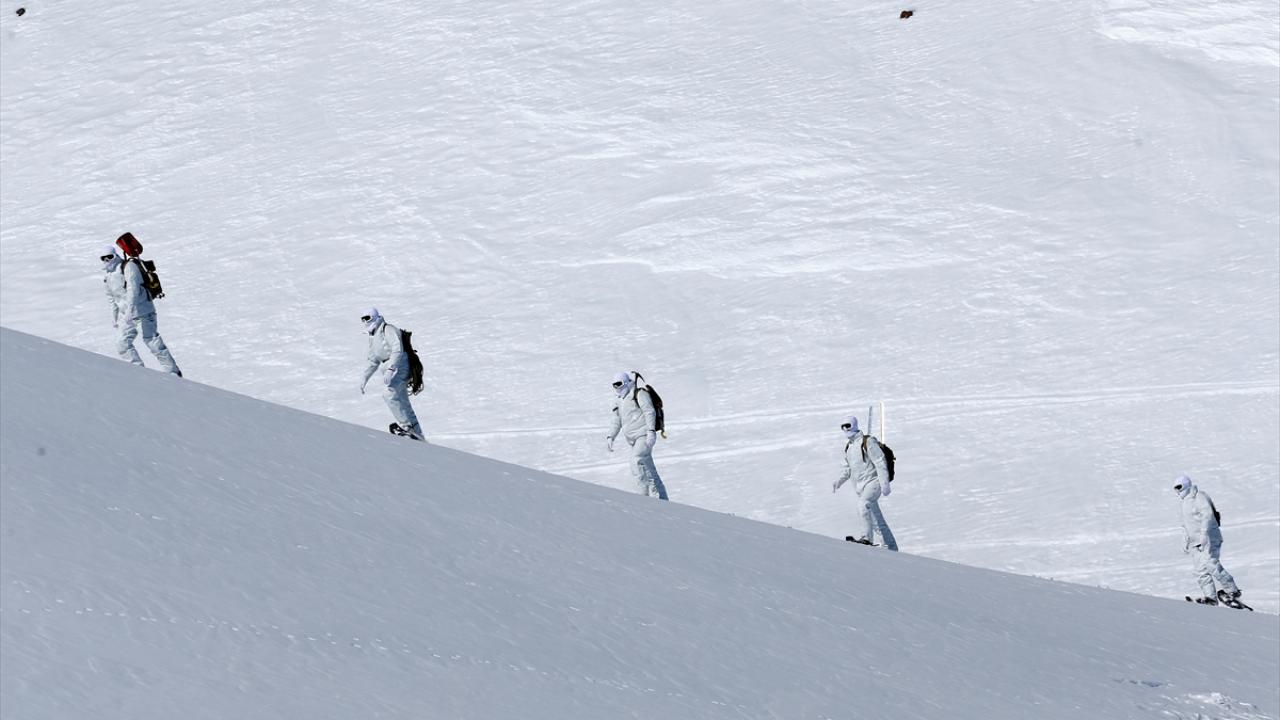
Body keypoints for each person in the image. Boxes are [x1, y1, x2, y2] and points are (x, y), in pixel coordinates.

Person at [100, 245, 181, 376]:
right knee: (122, 344)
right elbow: (112, 297)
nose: (107, 260)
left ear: (115, 255)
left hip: (143, 311)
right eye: (104, 258)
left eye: (109, 257)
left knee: (151, 341)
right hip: (126, 315)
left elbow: (133, 289)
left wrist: (130, 310)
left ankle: (173, 371)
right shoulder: (108, 275)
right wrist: (114, 317)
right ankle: (139, 372)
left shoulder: (128, 267)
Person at [1174, 475, 1242, 606]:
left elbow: (1208, 514)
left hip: (1210, 538)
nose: (1177, 491)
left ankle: (1232, 591)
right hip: (1195, 543)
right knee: (1200, 571)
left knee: (1211, 564)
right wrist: (1185, 540)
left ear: (1186, 484)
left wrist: (1205, 533)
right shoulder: (1183, 503)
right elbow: (1185, 525)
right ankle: (1210, 598)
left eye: (1179, 487)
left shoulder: (1199, 496)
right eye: (1175, 488)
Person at [832, 415, 897, 550]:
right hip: (861, 487)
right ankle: (891, 547)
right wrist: (838, 481)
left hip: (874, 482)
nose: (845, 429)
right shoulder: (849, 447)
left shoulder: (867, 442)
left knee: (863, 505)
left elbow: (880, 461)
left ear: (854, 425)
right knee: (876, 520)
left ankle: (866, 538)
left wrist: (885, 483)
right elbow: (847, 469)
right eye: (842, 426)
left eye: (848, 425)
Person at [359, 308, 424, 441]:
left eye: (368, 317)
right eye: (363, 319)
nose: (365, 321)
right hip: (389, 366)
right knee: (402, 400)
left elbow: (397, 349)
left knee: (389, 393)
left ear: (375, 317)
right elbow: (373, 360)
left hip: (400, 364)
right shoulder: (373, 336)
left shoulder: (388, 329)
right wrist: (364, 377)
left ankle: (406, 426)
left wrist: (391, 369)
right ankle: (418, 434)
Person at [606, 371, 668, 500]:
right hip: (634, 439)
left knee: (635, 460)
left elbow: (649, 411)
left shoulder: (639, 393)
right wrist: (611, 436)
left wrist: (651, 431)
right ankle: (662, 499)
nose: (617, 388)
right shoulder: (619, 400)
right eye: (614, 385)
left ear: (626, 382)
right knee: (648, 468)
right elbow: (617, 420)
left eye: (619, 384)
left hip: (644, 435)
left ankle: (643, 497)